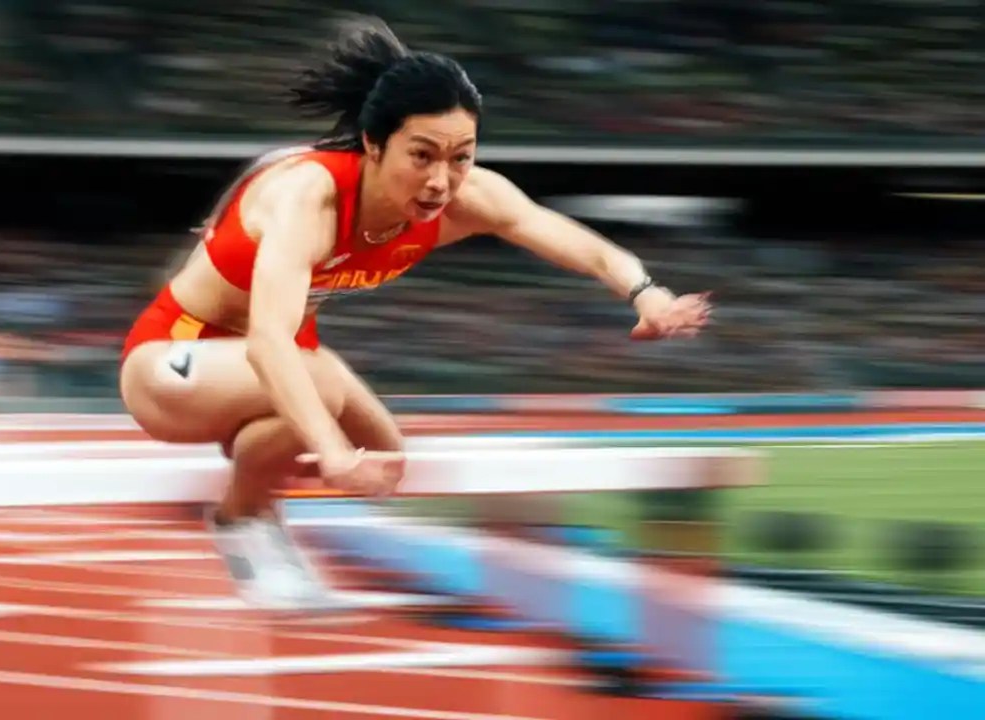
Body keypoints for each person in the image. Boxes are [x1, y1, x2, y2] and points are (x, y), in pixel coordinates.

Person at [119, 16, 711, 609]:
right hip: (170, 360)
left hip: (263, 369)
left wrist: (645, 292)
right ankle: (249, 522)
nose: (440, 182)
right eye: (422, 156)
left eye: (460, 158)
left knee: (385, 455)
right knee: (321, 386)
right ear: (373, 145)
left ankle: (246, 491)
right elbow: (270, 342)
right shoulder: (309, 197)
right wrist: (332, 454)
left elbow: (566, 237)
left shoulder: (465, 197)